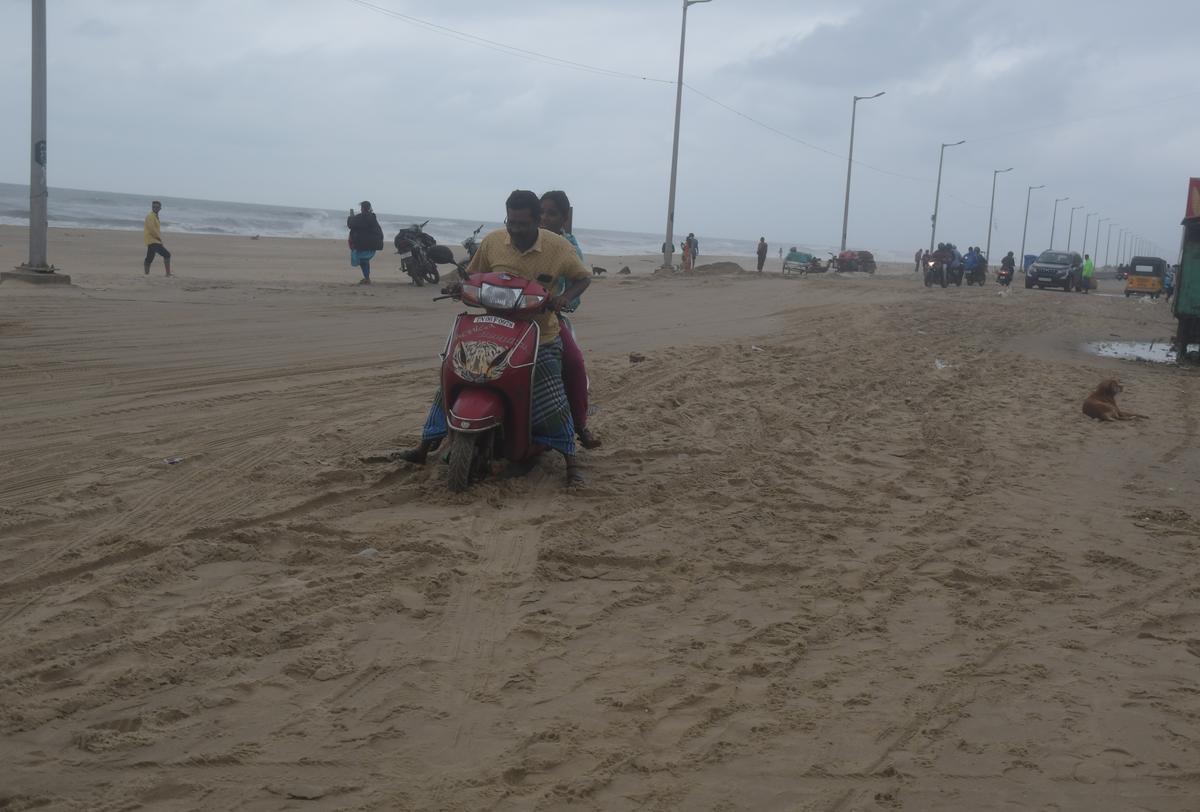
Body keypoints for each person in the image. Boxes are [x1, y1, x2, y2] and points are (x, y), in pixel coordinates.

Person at [398, 190, 592, 484]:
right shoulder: (492, 242)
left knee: (551, 391)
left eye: (523, 224)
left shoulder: (559, 247)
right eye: (510, 222)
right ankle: (425, 444)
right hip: (491, 327)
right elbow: (472, 275)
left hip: (539, 333)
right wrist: (457, 288)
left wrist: (563, 298)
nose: (515, 230)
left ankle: (571, 460)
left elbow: (583, 277)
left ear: (537, 220)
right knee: (455, 372)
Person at [540, 190, 601, 450]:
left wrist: (563, 299)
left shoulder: (569, 247)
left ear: (564, 219)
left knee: (574, 362)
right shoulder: (523, 238)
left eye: (551, 213)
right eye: (540, 212)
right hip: (513, 314)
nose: (544, 218)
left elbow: (580, 281)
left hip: (550, 318)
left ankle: (579, 424)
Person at [346, 201, 384, 284]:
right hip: (372, 244)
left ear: (362, 208)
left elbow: (350, 225)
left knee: (362, 260)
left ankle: (367, 278)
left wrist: (350, 217)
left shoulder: (361, 217)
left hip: (363, 245)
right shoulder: (372, 217)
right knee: (364, 261)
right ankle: (367, 278)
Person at [143, 200, 172, 276]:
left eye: (157, 207)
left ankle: (146, 275)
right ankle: (168, 274)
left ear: (160, 208)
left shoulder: (155, 216)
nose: (155, 208)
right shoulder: (150, 216)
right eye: (154, 207)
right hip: (153, 240)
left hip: (152, 240)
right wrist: (158, 238)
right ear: (152, 207)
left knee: (149, 258)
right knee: (167, 255)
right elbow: (151, 229)